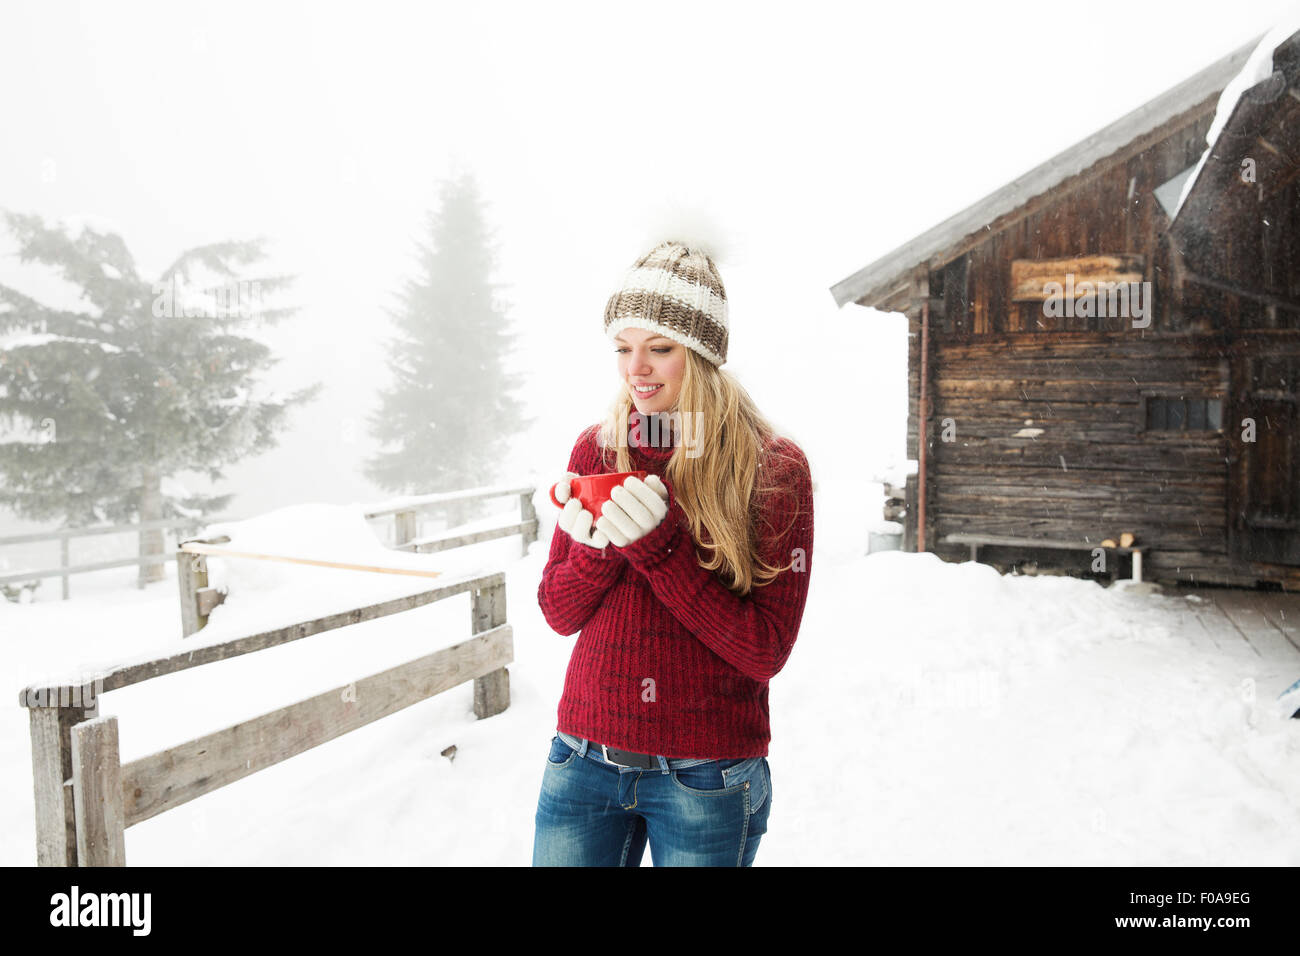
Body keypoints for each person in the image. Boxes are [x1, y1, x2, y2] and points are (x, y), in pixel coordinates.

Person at [532, 239, 815, 866]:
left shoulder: (772, 469)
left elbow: (764, 650)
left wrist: (660, 551)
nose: (638, 369)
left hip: (705, 776)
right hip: (581, 760)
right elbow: (556, 612)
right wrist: (599, 548)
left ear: (705, 356)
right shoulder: (599, 450)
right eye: (623, 349)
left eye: (660, 348)